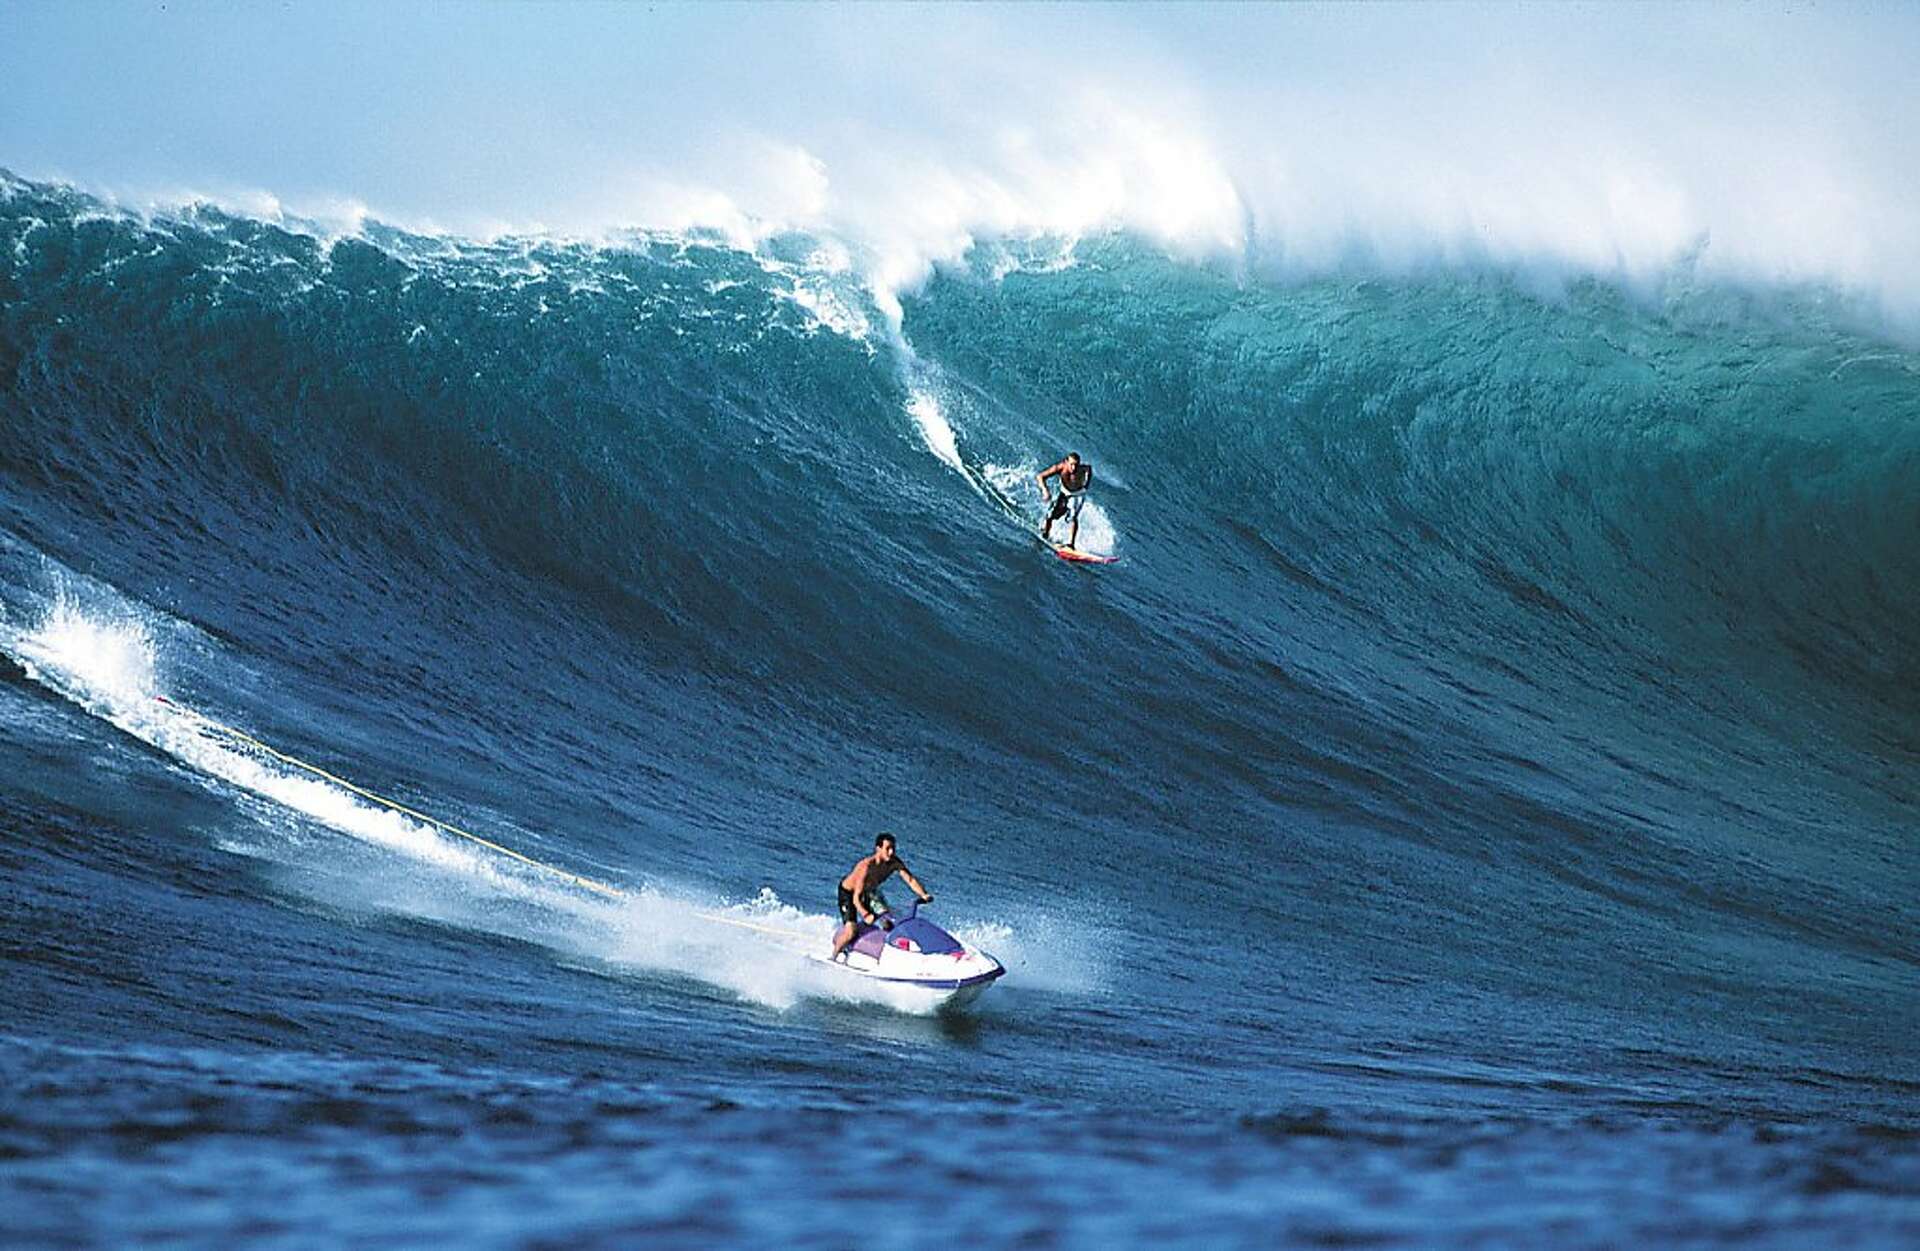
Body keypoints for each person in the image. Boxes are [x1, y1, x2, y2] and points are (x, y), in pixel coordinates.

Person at [829, 832, 933, 961]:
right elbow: (857, 896)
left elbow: (910, 879)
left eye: (893, 849)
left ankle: (885, 956)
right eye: (887, 848)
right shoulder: (866, 866)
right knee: (851, 932)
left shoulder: (894, 863)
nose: (891, 852)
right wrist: (865, 914)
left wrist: (923, 894)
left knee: (889, 923)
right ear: (878, 849)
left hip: (870, 891)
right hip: (849, 894)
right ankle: (833, 957)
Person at [1037, 452, 1094, 549]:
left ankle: (1071, 544)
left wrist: (1086, 485)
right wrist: (1045, 491)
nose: (1074, 468)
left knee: (1072, 516)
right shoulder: (1059, 468)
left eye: (1076, 465)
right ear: (1066, 462)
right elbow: (1040, 477)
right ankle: (1046, 534)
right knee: (1051, 515)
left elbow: (1089, 469)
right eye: (1071, 464)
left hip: (1077, 494)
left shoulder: (1082, 468)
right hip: (1064, 492)